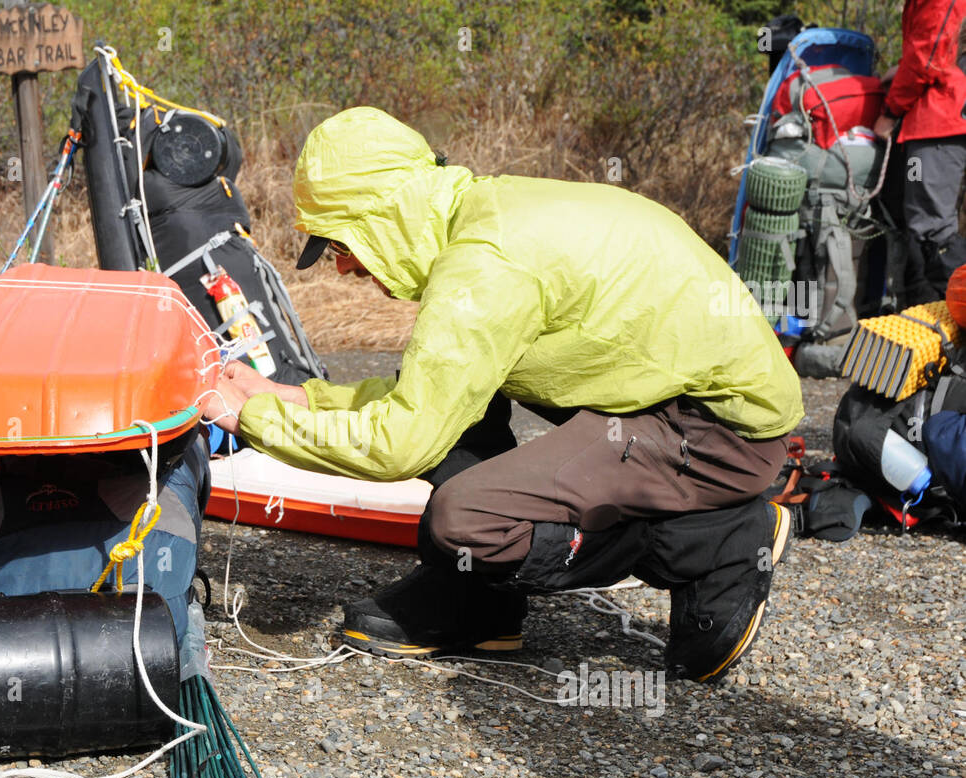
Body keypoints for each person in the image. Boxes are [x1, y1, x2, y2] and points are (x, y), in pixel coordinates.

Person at [201, 107, 803, 683]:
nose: (342, 270)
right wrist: (293, 397)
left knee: (465, 520)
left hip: (718, 432)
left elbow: (400, 446)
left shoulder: (485, 264)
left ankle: (717, 540)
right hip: (658, 396)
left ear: (382, 217)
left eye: (340, 245)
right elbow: (434, 392)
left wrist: (252, 418)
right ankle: (477, 603)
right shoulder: (483, 214)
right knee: (466, 406)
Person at [874, 0, 966, 298]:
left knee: (930, 234)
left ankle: (950, 321)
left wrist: (889, 112)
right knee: (927, 232)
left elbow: (928, 56)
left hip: (939, 124)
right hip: (946, 118)